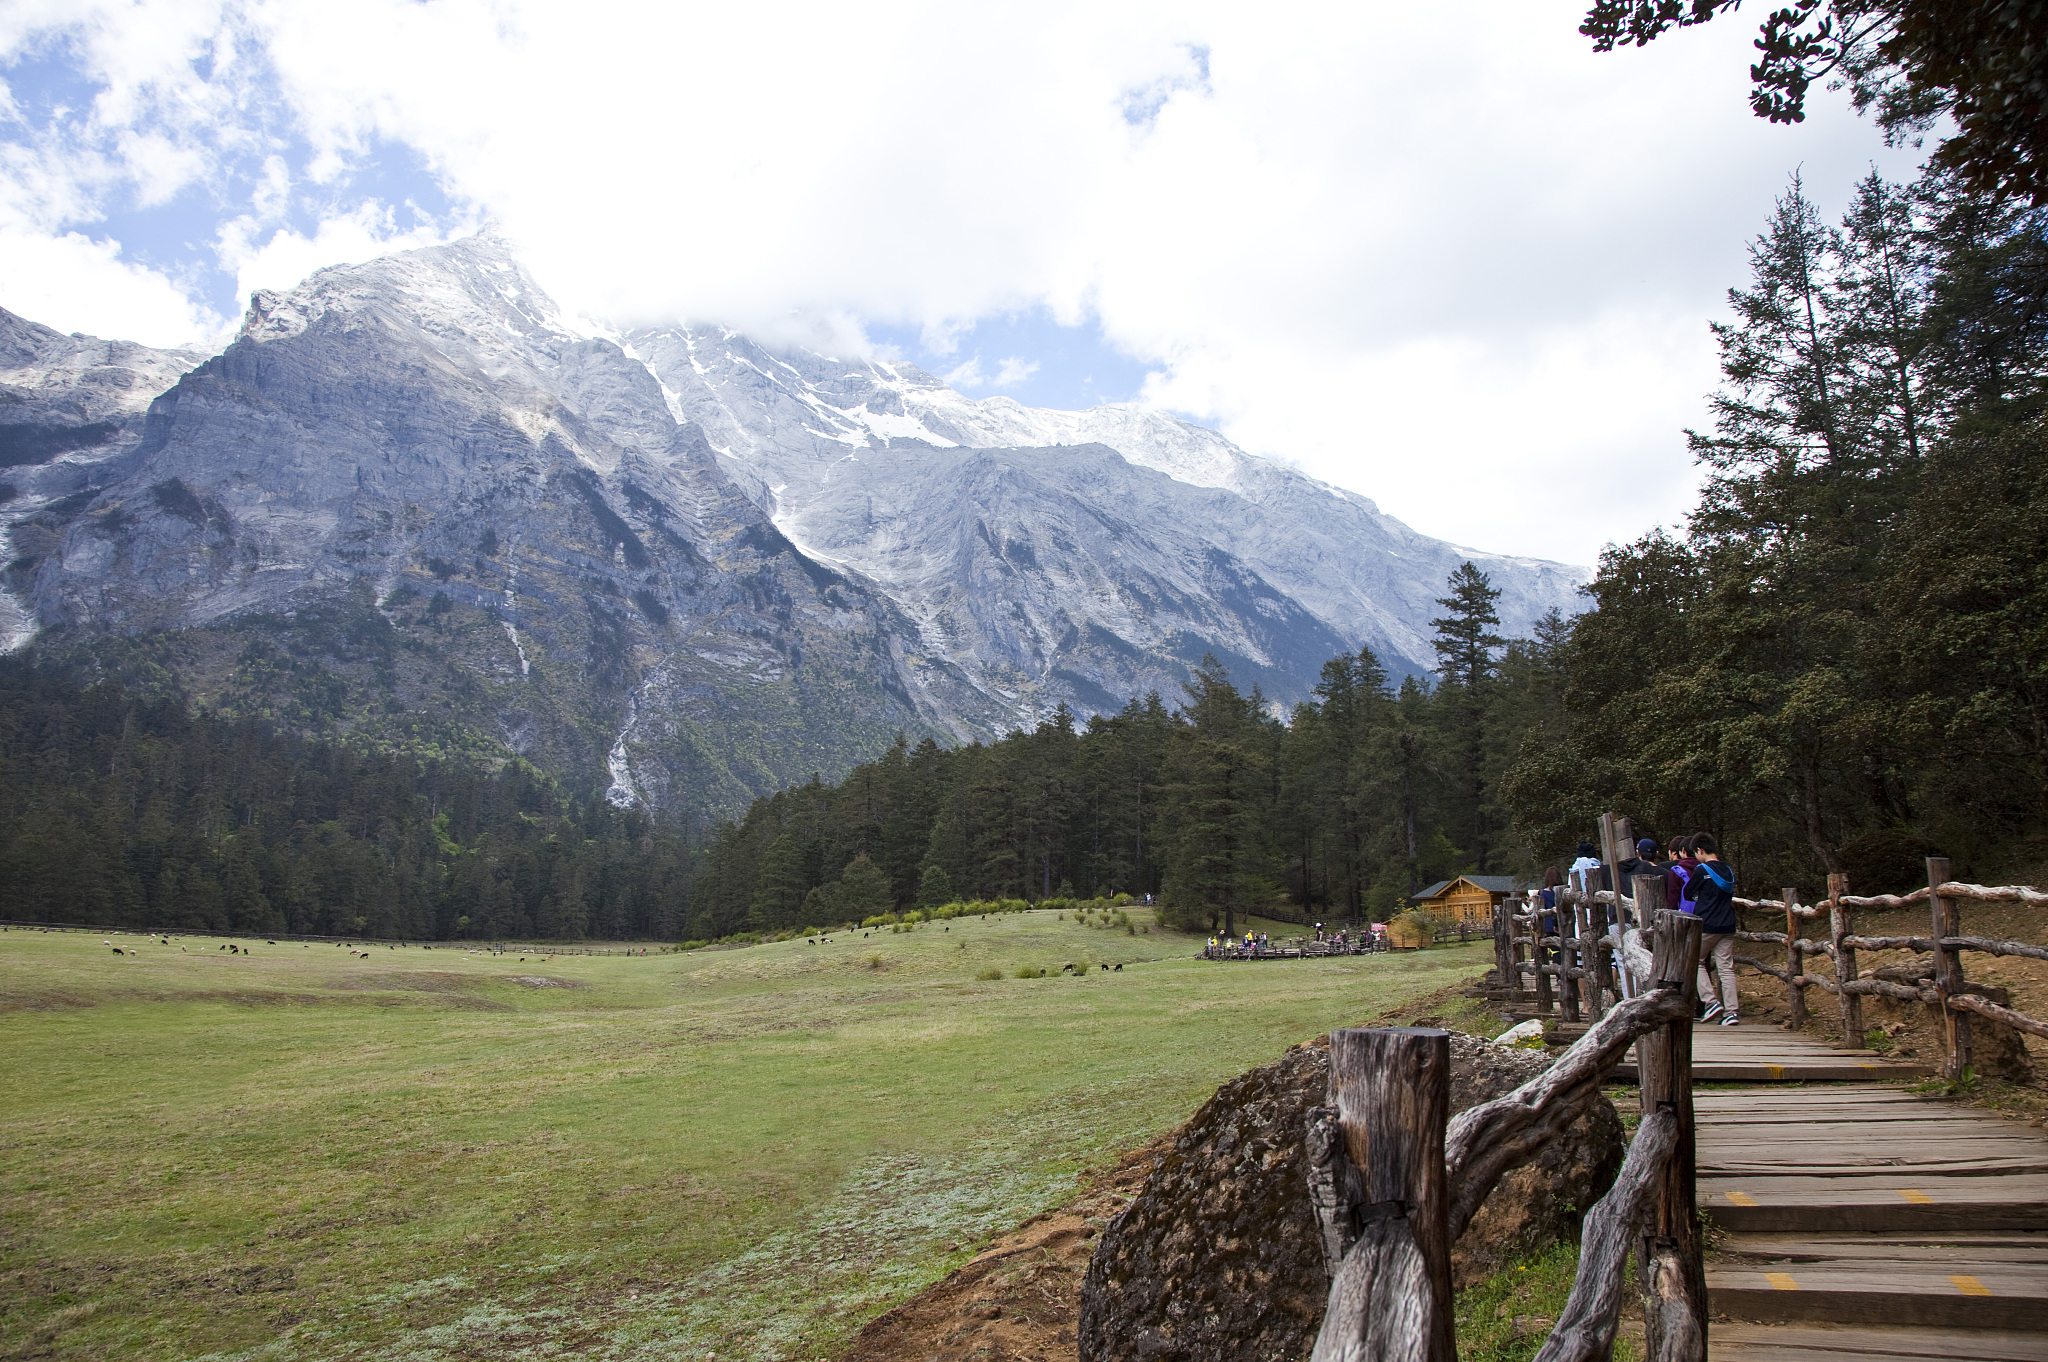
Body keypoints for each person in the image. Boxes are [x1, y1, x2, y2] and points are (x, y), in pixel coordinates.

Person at [1684, 833, 1740, 1025]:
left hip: (1708, 924)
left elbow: (1688, 892)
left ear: (1700, 850)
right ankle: (1732, 1012)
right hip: (1728, 924)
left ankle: (1710, 1002)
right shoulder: (1728, 870)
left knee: (1694, 961)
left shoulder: (1701, 870)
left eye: (1695, 853)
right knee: (1726, 968)